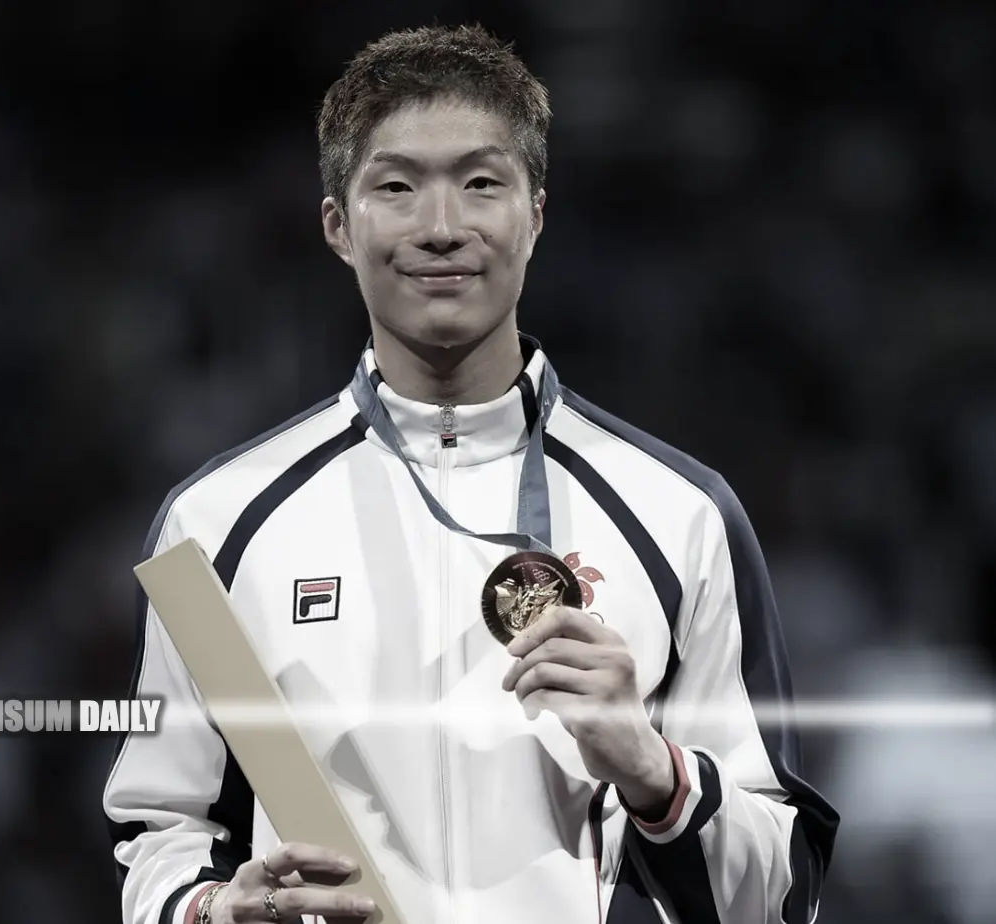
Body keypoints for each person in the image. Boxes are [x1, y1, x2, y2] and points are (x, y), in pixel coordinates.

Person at [104, 23, 838, 924]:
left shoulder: (680, 514)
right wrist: (215, 909)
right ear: (338, 225)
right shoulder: (215, 527)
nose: (442, 228)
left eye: (482, 183)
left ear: (535, 214)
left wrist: (657, 774)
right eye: (397, 187)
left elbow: (784, 891)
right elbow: (158, 833)